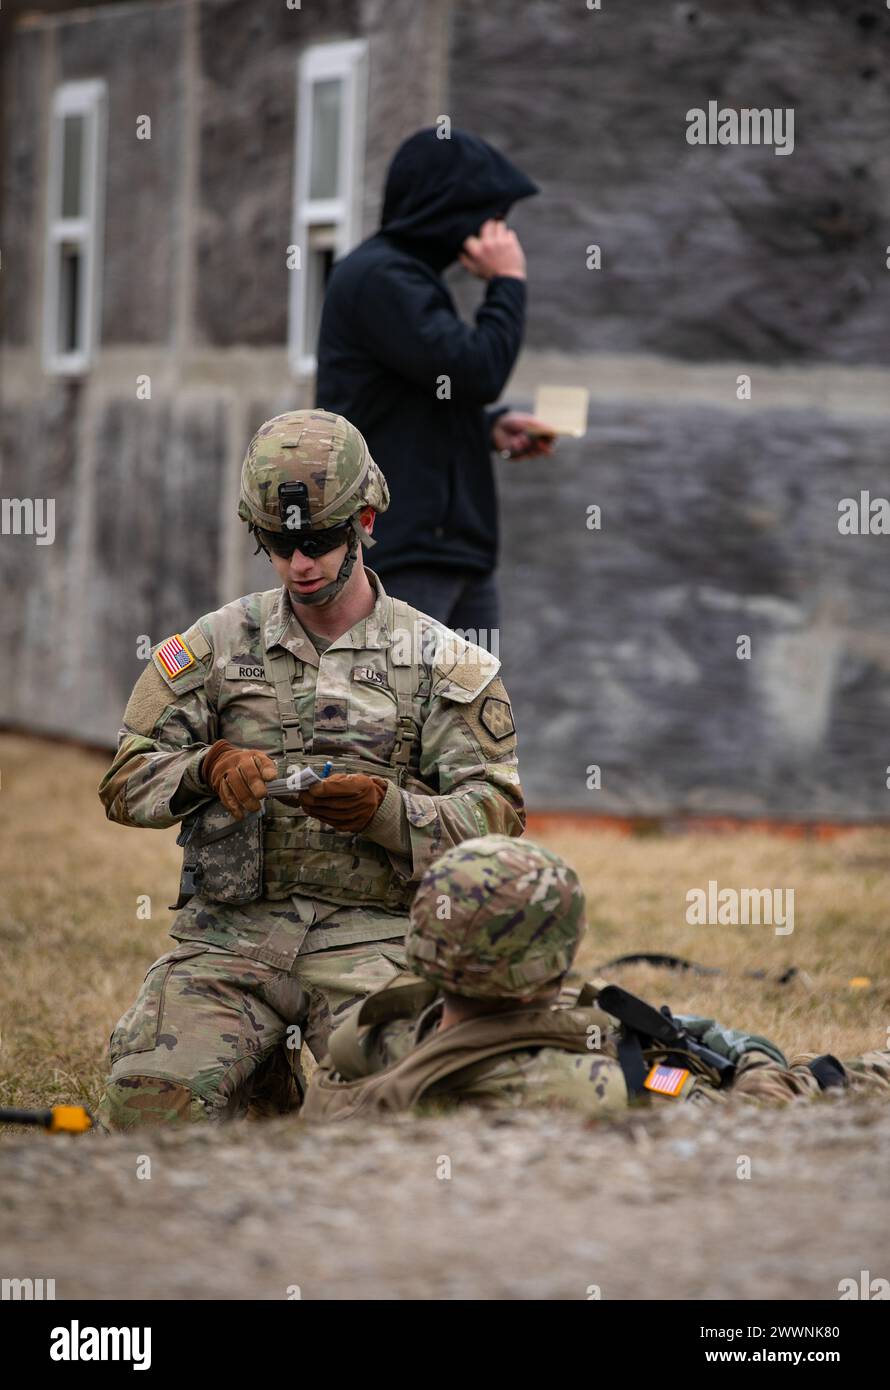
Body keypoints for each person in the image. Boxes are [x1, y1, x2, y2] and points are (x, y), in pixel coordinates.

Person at [94, 410, 525, 1130]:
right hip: (229, 942)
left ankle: (279, 1080)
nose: (301, 563)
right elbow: (125, 777)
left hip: (375, 944)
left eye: (321, 540)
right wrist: (205, 767)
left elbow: (498, 824)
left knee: (411, 1118)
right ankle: (258, 1072)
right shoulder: (215, 645)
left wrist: (390, 813)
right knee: (148, 1113)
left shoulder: (443, 663)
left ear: (364, 520)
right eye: (280, 542)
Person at [301, 835, 890, 1120]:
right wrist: (761, 1065)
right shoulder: (593, 1088)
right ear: (555, 956)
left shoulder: (372, 1032)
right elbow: (757, 1118)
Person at [315, 127, 554, 637]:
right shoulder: (380, 278)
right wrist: (508, 282)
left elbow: (425, 392)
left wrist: (489, 428)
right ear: (450, 208)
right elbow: (478, 370)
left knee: (472, 716)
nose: (500, 233)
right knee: (399, 715)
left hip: (449, 551)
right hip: (403, 554)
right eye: (492, 216)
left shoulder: (409, 279)